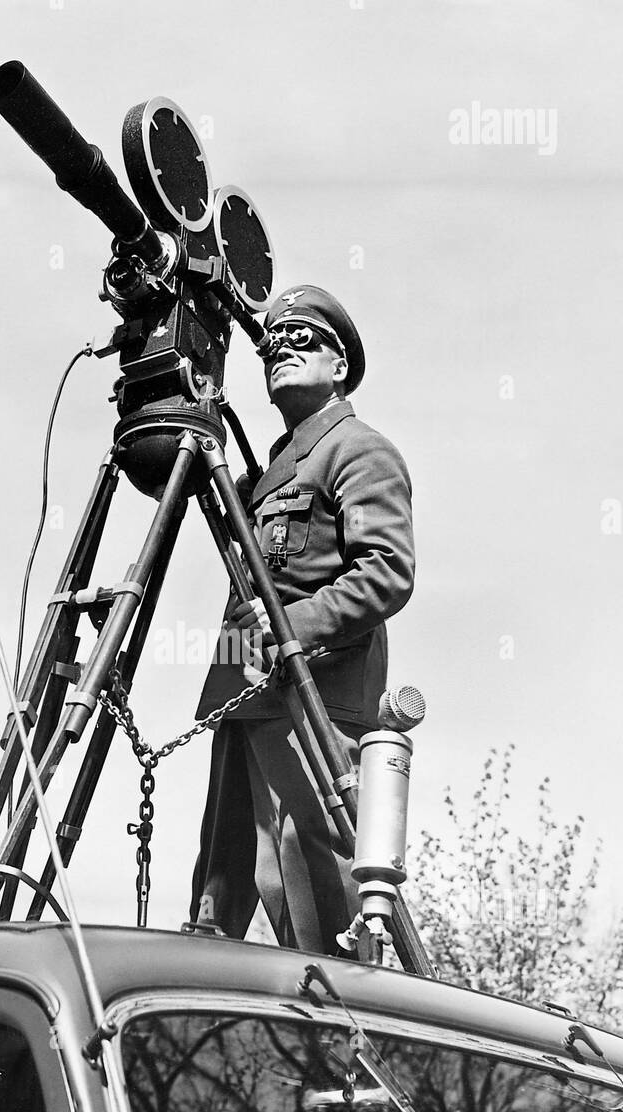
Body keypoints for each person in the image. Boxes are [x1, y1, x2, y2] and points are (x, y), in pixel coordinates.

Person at [188, 284, 415, 955]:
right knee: (214, 903)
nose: (281, 349)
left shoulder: (358, 451)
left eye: (303, 339)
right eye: (271, 346)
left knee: (314, 902)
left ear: (340, 366)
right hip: (244, 699)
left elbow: (387, 573)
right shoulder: (270, 472)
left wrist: (292, 631)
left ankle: (347, 1041)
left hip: (309, 705)